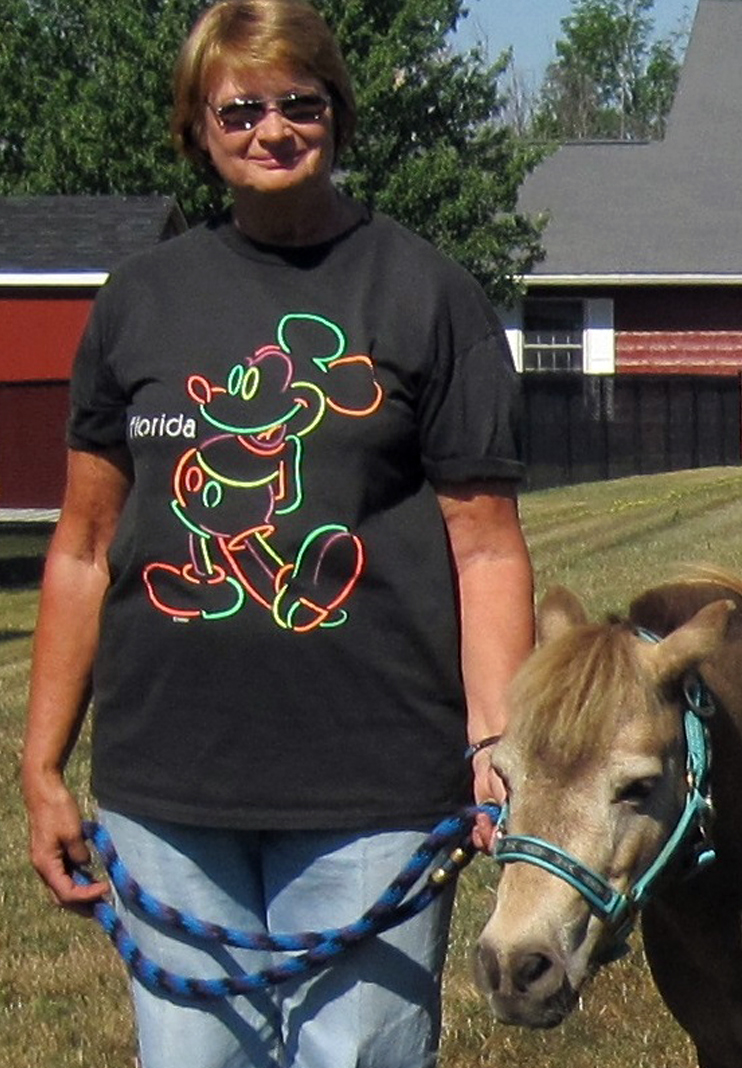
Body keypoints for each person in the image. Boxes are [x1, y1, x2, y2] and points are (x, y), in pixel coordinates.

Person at [17, 1, 533, 1065]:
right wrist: (43, 764)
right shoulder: (139, 302)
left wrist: (495, 744)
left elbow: (484, 546)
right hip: (169, 792)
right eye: (239, 108)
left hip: (375, 789)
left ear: (337, 117)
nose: (271, 129)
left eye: (298, 103)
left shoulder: (426, 294)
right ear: (198, 129)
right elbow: (81, 544)